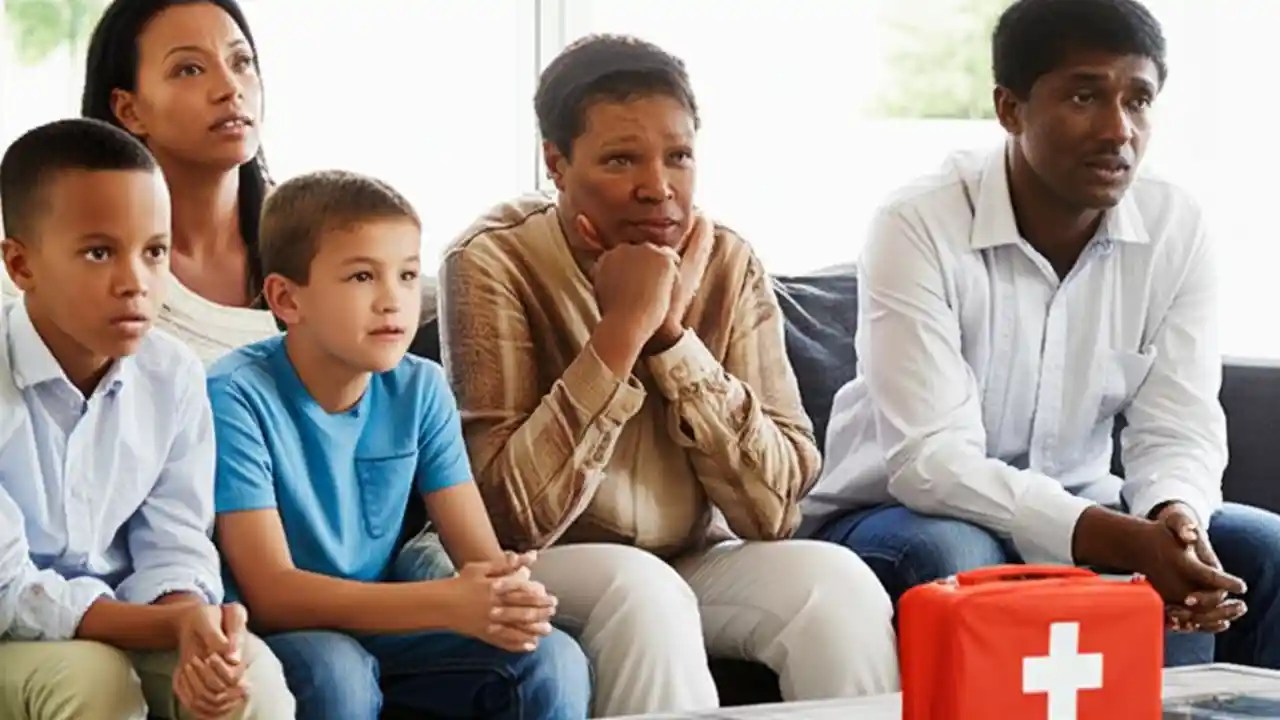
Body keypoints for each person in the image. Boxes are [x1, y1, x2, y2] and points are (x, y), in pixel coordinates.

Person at [802, 0, 1280, 670]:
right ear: (1010, 109)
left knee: (1264, 549)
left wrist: (1176, 519)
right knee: (963, 559)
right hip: (897, 512)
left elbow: (1178, 425)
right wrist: (1111, 538)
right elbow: (931, 462)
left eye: (1138, 100)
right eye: (1085, 95)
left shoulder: (1175, 226)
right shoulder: (918, 223)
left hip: (1094, 506)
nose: (1119, 130)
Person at [433, 34, 898, 718]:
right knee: (642, 590)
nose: (659, 188)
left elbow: (774, 509)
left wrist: (673, 340)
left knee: (835, 582)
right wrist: (622, 334)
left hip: (688, 555)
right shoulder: (491, 260)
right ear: (557, 164)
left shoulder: (729, 261)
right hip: (532, 565)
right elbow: (510, 520)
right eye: (621, 160)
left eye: (678, 157)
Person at [208, 170, 591, 720]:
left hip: (388, 620)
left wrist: (508, 598)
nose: (393, 301)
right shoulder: (235, 396)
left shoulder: (421, 387)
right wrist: (446, 602)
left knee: (549, 656)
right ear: (287, 299)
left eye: (408, 275)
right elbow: (272, 593)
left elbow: (478, 558)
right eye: (363, 276)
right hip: (277, 632)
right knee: (336, 670)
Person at [0, 118, 294, 719]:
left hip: (130, 617)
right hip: (13, 633)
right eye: (99, 252)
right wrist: (168, 625)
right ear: (20, 265)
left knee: (252, 680)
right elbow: (8, 591)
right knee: (92, 680)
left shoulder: (174, 374)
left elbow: (176, 541)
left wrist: (195, 625)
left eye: (155, 251)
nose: (136, 283)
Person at [71, 0, 278, 363]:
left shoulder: (318, 239)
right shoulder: (68, 269)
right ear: (129, 111)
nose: (230, 88)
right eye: (189, 70)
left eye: (241, 63)